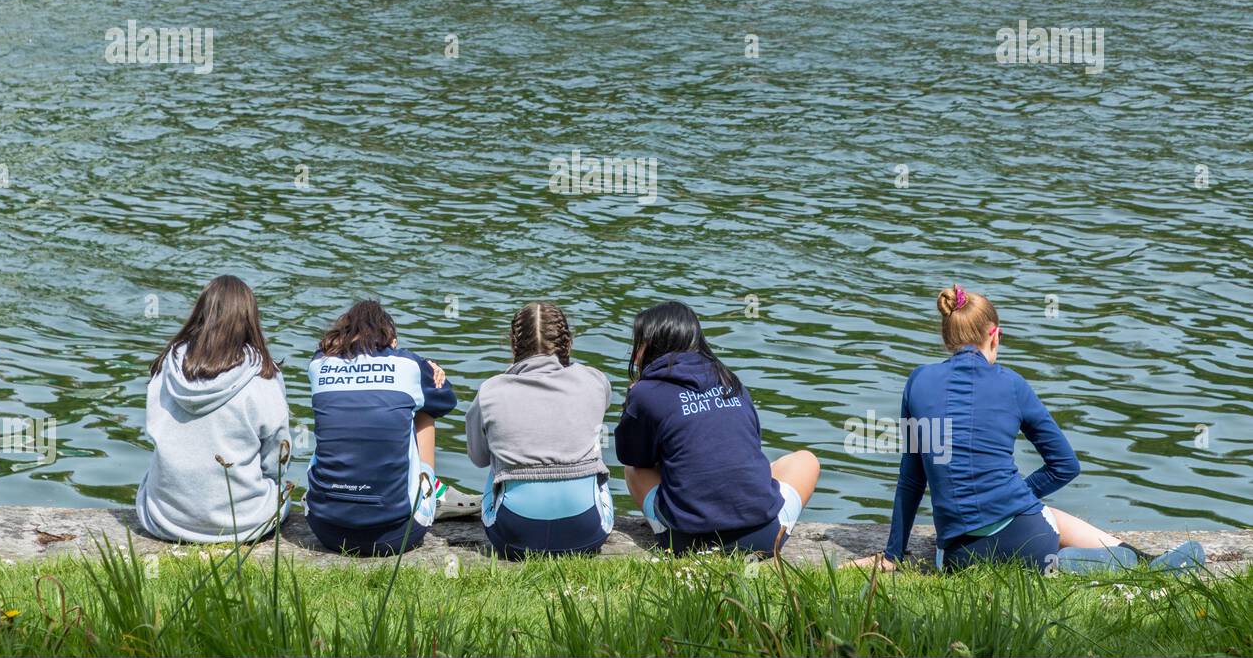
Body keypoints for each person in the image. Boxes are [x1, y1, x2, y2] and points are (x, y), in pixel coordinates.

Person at [852, 285, 1203, 574]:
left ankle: (1132, 563)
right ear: (996, 335)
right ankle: (1137, 562)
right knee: (1046, 515)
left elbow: (912, 479)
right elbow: (1065, 465)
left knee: (1023, 510)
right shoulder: (1013, 384)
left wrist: (892, 555)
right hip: (1031, 542)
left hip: (957, 559)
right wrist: (1017, 493)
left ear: (947, 341)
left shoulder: (918, 382)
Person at [616, 300, 821, 555]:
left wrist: (632, 407)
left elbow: (632, 457)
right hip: (765, 538)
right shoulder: (729, 378)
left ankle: (669, 530)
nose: (634, 356)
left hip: (686, 544)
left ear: (650, 346)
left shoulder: (645, 393)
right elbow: (753, 443)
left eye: (638, 345)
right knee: (805, 460)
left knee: (633, 471)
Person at [137, 275, 292, 543]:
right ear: (250, 319)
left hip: (165, 519)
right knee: (283, 491)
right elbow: (277, 458)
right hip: (243, 522)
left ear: (201, 313)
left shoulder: (166, 365)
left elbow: (155, 432)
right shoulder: (264, 375)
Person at [304, 299, 458, 556]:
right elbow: (445, 400)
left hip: (326, 529)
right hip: (398, 534)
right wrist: (430, 367)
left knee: (341, 418)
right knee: (423, 412)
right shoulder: (408, 363)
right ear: (390, 338)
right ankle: (430, 487)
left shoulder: (318, 364)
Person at [467, 302, 614, 559]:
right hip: (587, 533)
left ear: (513, 344)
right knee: (592, 445)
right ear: (568, 343)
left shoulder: (490, 391)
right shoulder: (595, 380)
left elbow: (478, 458)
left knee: (498, 457)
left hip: (512, 537)